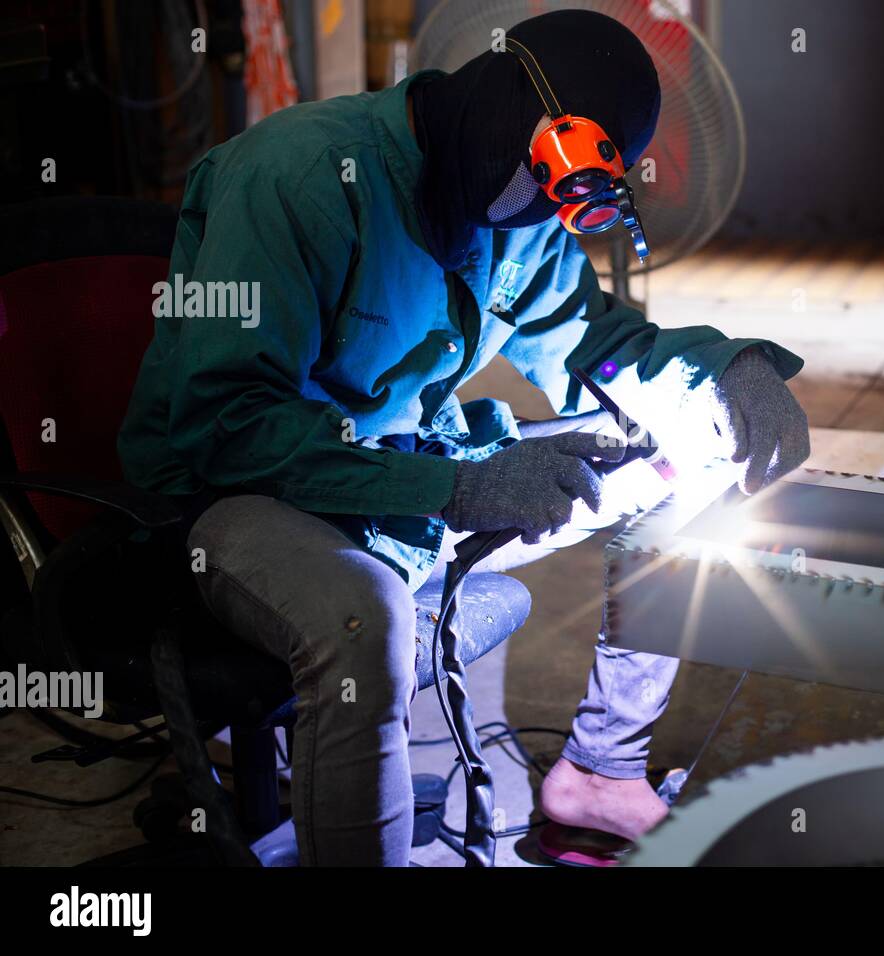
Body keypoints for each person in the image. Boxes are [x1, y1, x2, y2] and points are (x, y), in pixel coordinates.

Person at [118, 9, 808, 866]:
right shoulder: (297, 177)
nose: (527, 219)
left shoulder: (527, 220)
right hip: (235, 499)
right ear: (501, 98)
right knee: (360, 623)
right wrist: (456, 491)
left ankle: (603, 767)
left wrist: (723, 377)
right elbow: (227, 424)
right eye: (529, 184)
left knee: (677, 462)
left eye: (553, 201)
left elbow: (591, 346)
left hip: (404, 475)